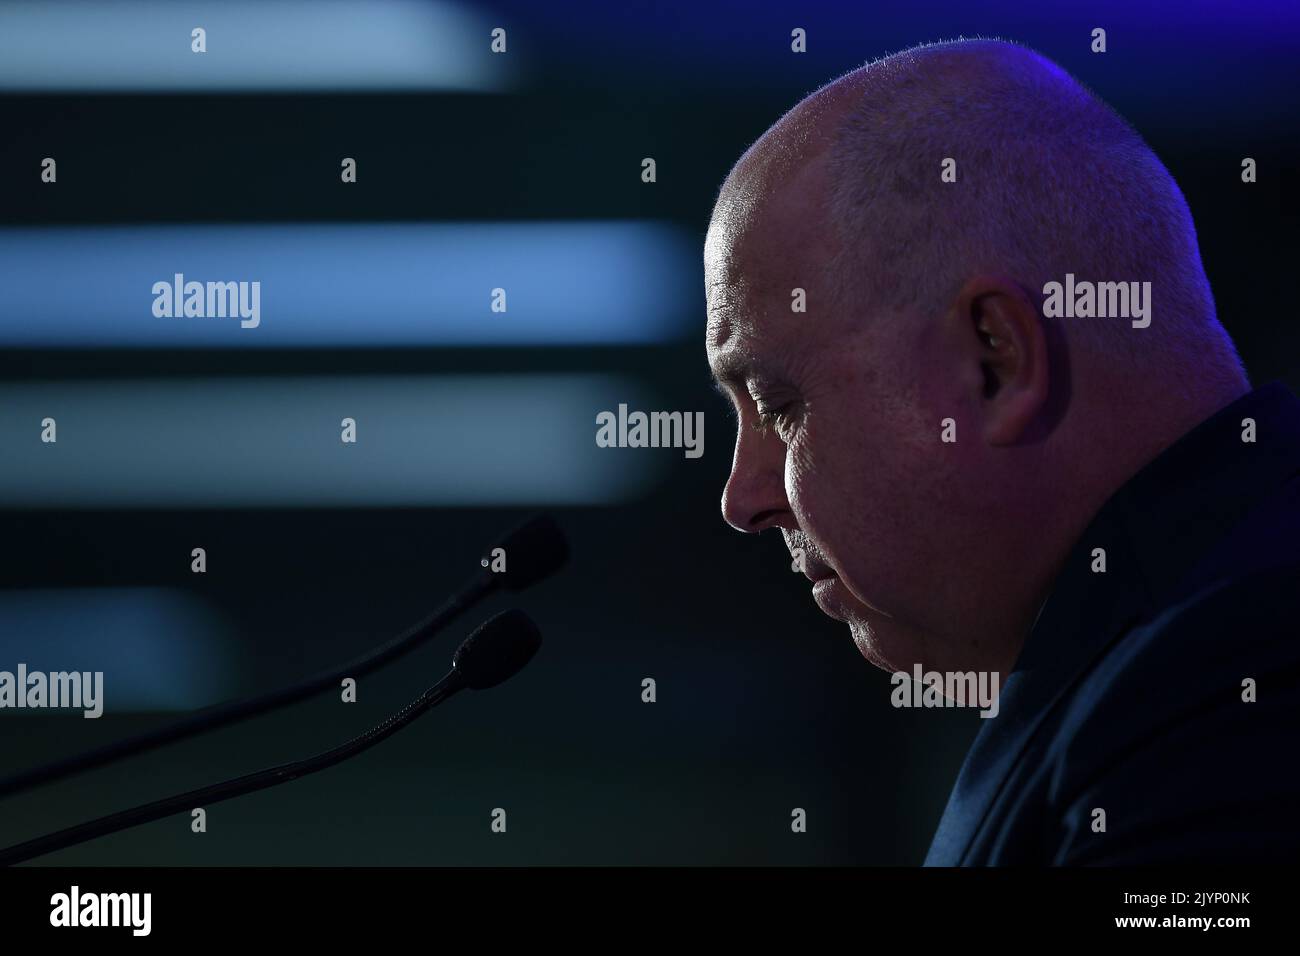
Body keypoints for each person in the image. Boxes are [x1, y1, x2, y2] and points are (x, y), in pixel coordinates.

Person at [704, 38, 1300, 864]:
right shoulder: (1168, 665)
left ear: (996, 360)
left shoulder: (1232, 683)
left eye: (779, 403)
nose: (742, 498)